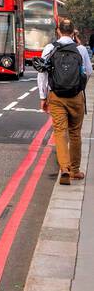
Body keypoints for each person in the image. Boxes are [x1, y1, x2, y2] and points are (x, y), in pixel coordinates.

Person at [38, 16, 93, 185]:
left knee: (60, 132)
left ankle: (65, 170)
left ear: (58, 31)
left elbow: (42, 74)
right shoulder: (81, 49)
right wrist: (78, 86)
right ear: (73, 31)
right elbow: (89, 72)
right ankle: (75, 170)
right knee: (75, 133)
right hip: (76, 97)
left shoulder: (49, 48)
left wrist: (43, 97)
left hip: (56, 97)